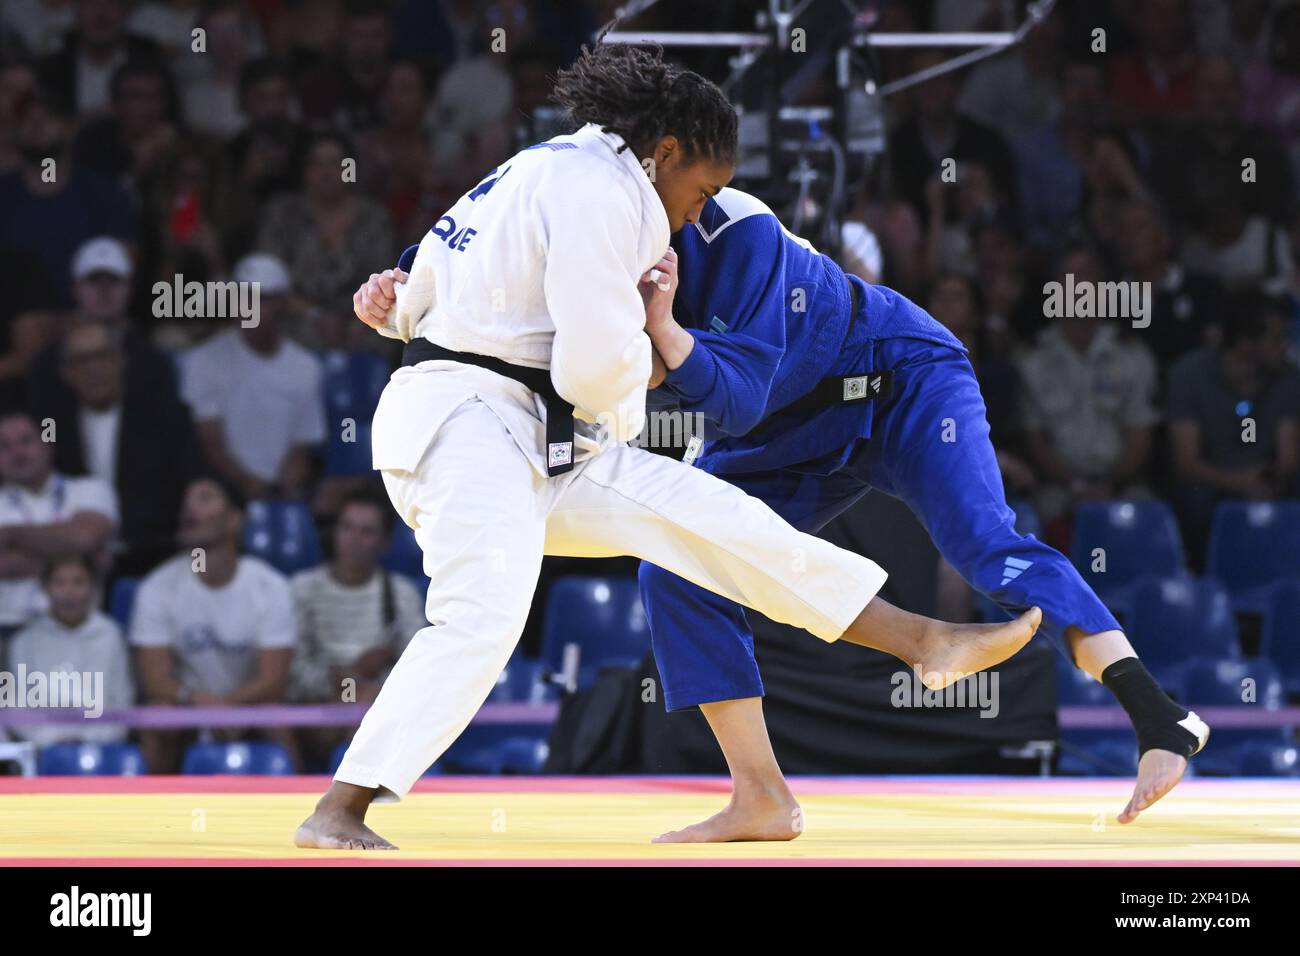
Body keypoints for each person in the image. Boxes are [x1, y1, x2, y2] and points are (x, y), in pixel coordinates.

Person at [298, 42, 1040, 852]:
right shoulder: (604, 193)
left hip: (529, 430)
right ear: (668, 152)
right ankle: (341, 808)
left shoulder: (546, 167)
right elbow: (588, 368)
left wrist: (391, 303)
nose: (696, 213)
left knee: (710, 519)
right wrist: (647, 356)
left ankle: (921, 644)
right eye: (701, 189)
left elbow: (427, 288)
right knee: (482, 616)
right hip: (472, 427)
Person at [130, 475, 295, 773]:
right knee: (157, 716)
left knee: (277, 715)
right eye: (186, 502)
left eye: (204, 498)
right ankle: (151, 812)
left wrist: (228, 708)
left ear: (234, 519)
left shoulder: (270, 586)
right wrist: (203, 704)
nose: (188, 509)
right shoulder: (157, 587)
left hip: (249, 705)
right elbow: (156, 681)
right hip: (187, 707)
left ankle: (305, 811)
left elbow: (274, 680)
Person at [0, 409, 117, 640]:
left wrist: (10, 535)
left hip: (82, 629)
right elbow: (84, 549)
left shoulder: (89, 489)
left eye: (26, 440)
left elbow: (85, 538)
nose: (17, 452)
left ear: (47, 443)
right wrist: (79, 559)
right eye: (4, 446)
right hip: (7, 629)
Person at [5, 552, 134, 748]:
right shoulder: (24, 641)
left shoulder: (111, 636)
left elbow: (122, 702)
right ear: (45, 588)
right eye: (59, 583)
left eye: (78, 582)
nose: (69, 592)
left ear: (93, 587)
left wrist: (91, 740)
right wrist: (51, 741)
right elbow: (17, 708)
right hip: (41, 748)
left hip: (103, 746)